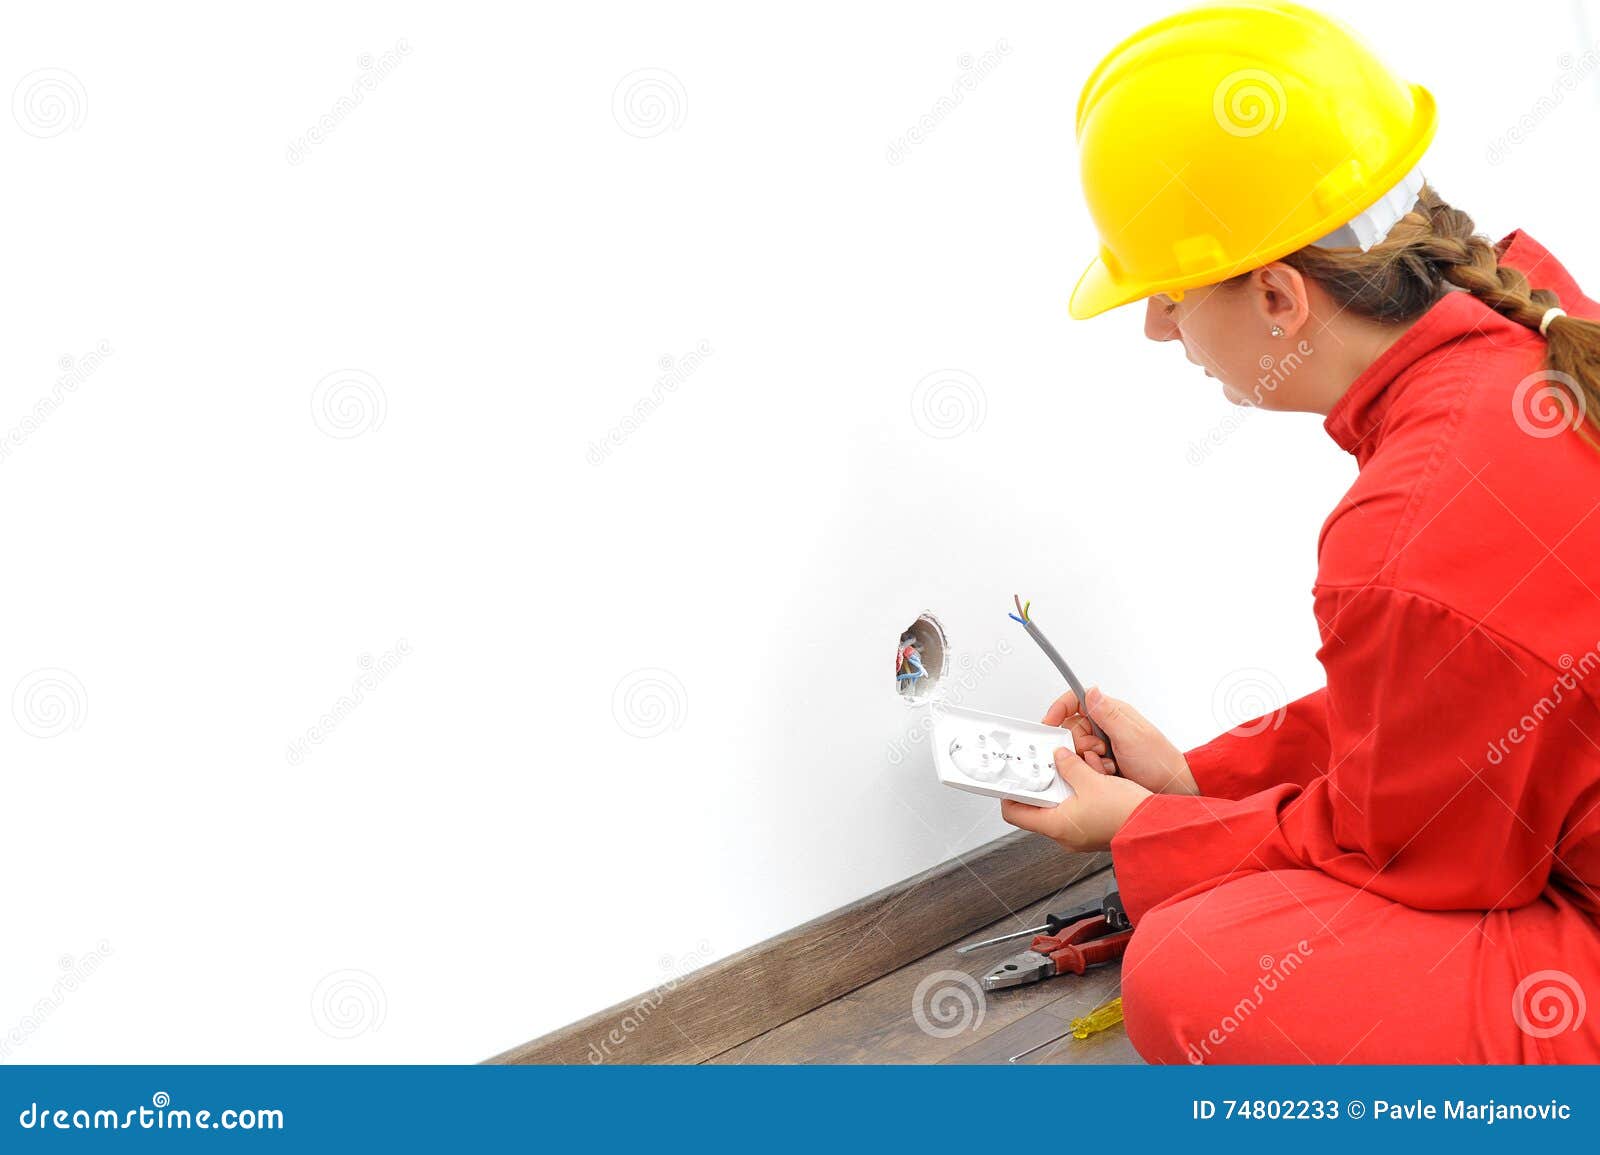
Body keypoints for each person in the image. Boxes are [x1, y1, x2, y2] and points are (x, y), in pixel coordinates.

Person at [1000, 0, 1600, 1063]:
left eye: (1171, 294)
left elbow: (1419, 855)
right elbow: (1462, 695)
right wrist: (1198, 780)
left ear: (1278, 297)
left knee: (1198, 975)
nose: (1155, 325)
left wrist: (1146, 832)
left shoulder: (1411, 526)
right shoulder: (1536, 332)